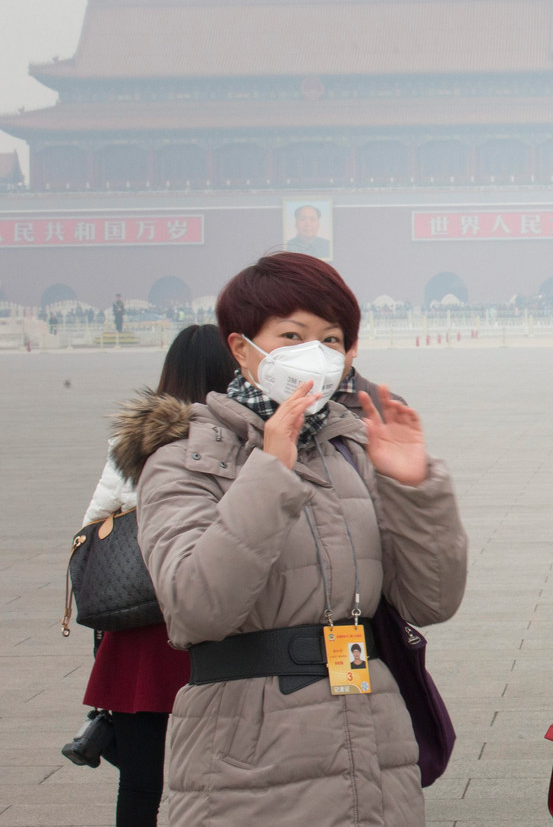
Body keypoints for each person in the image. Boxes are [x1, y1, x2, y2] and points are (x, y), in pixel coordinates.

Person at [113, 252, 467, 825]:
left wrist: (414, 488)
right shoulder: (185, 459)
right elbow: (196, 608)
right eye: (292, 335)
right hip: (244, 759)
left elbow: (434, 600)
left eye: (332, 339)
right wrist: (269, 474)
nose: (316, 354)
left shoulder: (350, 450)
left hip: (371, 746)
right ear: (241, 348)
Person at [81, 324, 236, 826]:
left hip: (141, 630)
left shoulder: (133, 441)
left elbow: (94, 523)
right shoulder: (241, 437)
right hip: (217, 625)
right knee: (230, 778)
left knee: (141, 784)